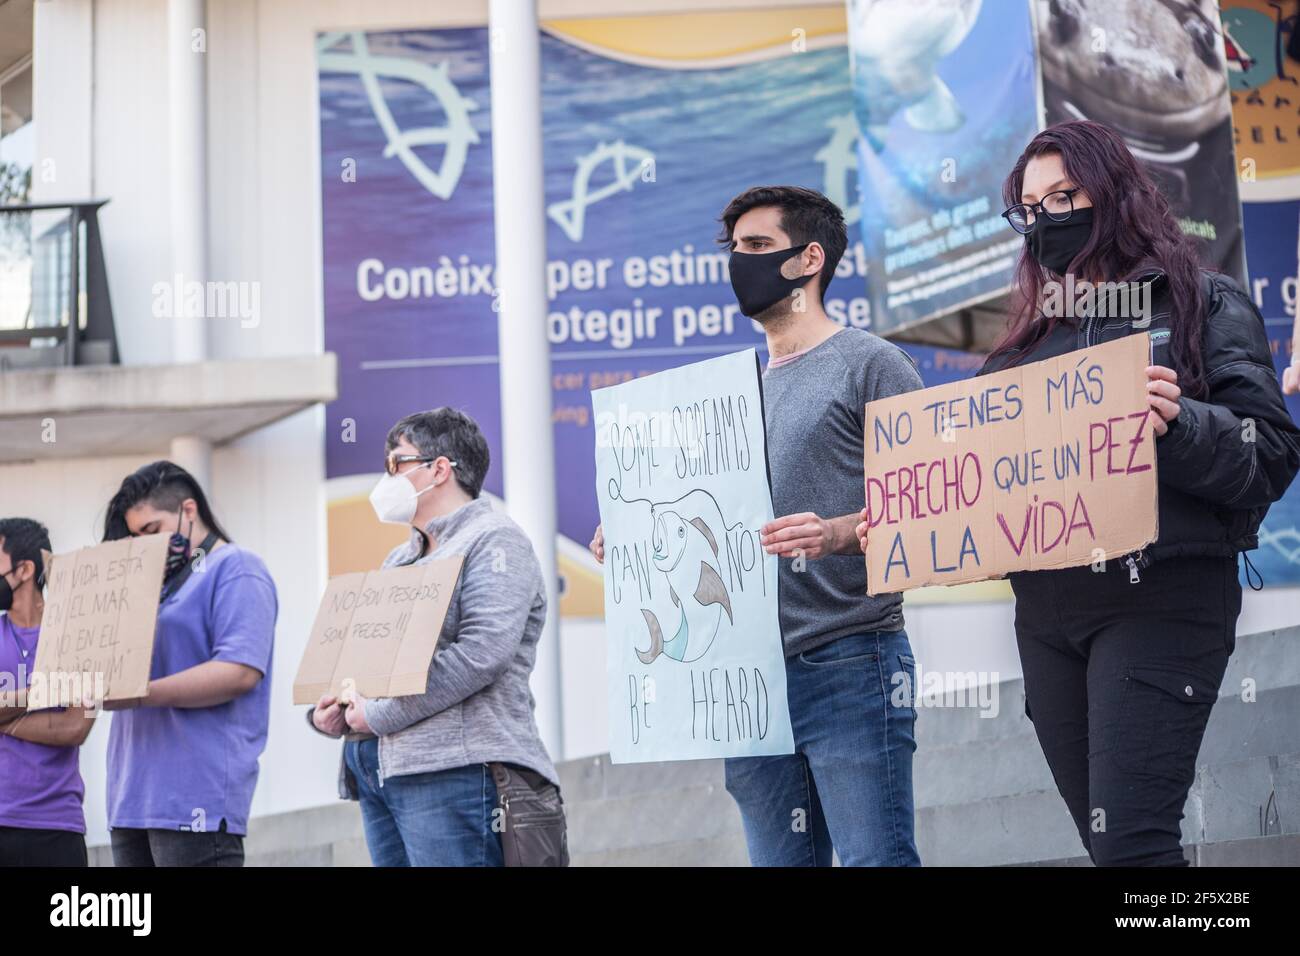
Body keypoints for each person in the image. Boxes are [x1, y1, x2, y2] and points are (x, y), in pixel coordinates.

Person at [859, 120, 1300, 866]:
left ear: (1116, 194)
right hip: (1046, 622)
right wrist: (901, 518)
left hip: (1161, 598)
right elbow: (976, 485)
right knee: (1111, 849)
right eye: (1029, 210)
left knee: (1132, 846)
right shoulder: (1022, 350)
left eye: (1064, 197)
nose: (1045, 220)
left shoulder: (1202, 301)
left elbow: (1271, 454)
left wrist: (1179, 424)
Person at [590, 186, 924, 866]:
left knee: (875, 860)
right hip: (745, 676)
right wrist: (629, 534)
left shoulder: (872, 365)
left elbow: (931, 506)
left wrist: (835, 533)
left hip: (850, 658)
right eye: (734, 249)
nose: (738, 262)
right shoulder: (725, 394)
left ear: (809, 260)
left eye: (757, 247)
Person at [308, 408, 564, 867]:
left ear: (439, 469)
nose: (385, 480)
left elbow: (482, 654)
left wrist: (379, 715)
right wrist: (338, 711)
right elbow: (377, 664)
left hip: (455, 772)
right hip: (382, 772)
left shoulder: (496, 540)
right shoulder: (399, 558)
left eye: (397, 464)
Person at [102, 461, 277, 867]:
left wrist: (139, 694)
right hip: (131, 796)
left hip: (194, 796)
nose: (145, 545)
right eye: (134, 537)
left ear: (189, 510)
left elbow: (239, 671)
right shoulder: (149, 587)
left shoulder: (237, 568)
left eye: (151, 530)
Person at [0, 518, 96, 867]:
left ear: (24, 569)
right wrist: (46, 690)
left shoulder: (82, 634)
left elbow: (75, 728)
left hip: (58, 827)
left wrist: (6, 713)